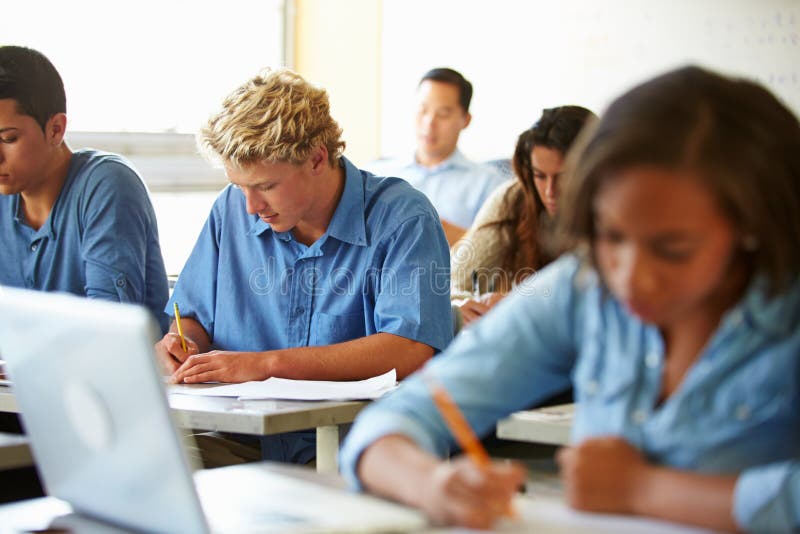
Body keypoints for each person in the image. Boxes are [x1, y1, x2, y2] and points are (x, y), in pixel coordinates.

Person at [340, 66, 800, 532]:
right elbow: (392, 421)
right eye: (611, 236)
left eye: (672, 249)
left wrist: (642, 490)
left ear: (753, 228)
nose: (631, 278)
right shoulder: (583, 288)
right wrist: (433, 484)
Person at [155, 68, 453, 464]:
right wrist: (182, 344)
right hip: (243, 441)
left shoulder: (402, 218)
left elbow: (409, 349)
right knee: (143, 470)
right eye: (240, 186)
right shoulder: (230, 210)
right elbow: (192, 318)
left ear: (317, 158)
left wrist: (266, 366)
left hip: (358, 450)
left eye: (266, 186)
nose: (251, 207)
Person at [0, 46, 169, 332]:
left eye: (8, 138)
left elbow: (108, 331)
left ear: (56, 129)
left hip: (110, 361)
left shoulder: (107, 185)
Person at [451, 106, 596, 332]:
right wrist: (461, 306)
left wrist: (517, 305)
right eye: (540, 176)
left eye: (563, 177)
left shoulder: (615, 216)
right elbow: (452, 280)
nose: (550, 191)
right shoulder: (512, 199)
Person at [368, 68, 507, 245]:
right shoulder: (376, 174)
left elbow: (500, 251)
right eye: (423, 110)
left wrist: (440, 231)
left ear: (465, 120)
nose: (429, 123)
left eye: (443, 114)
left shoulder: (490, 186)